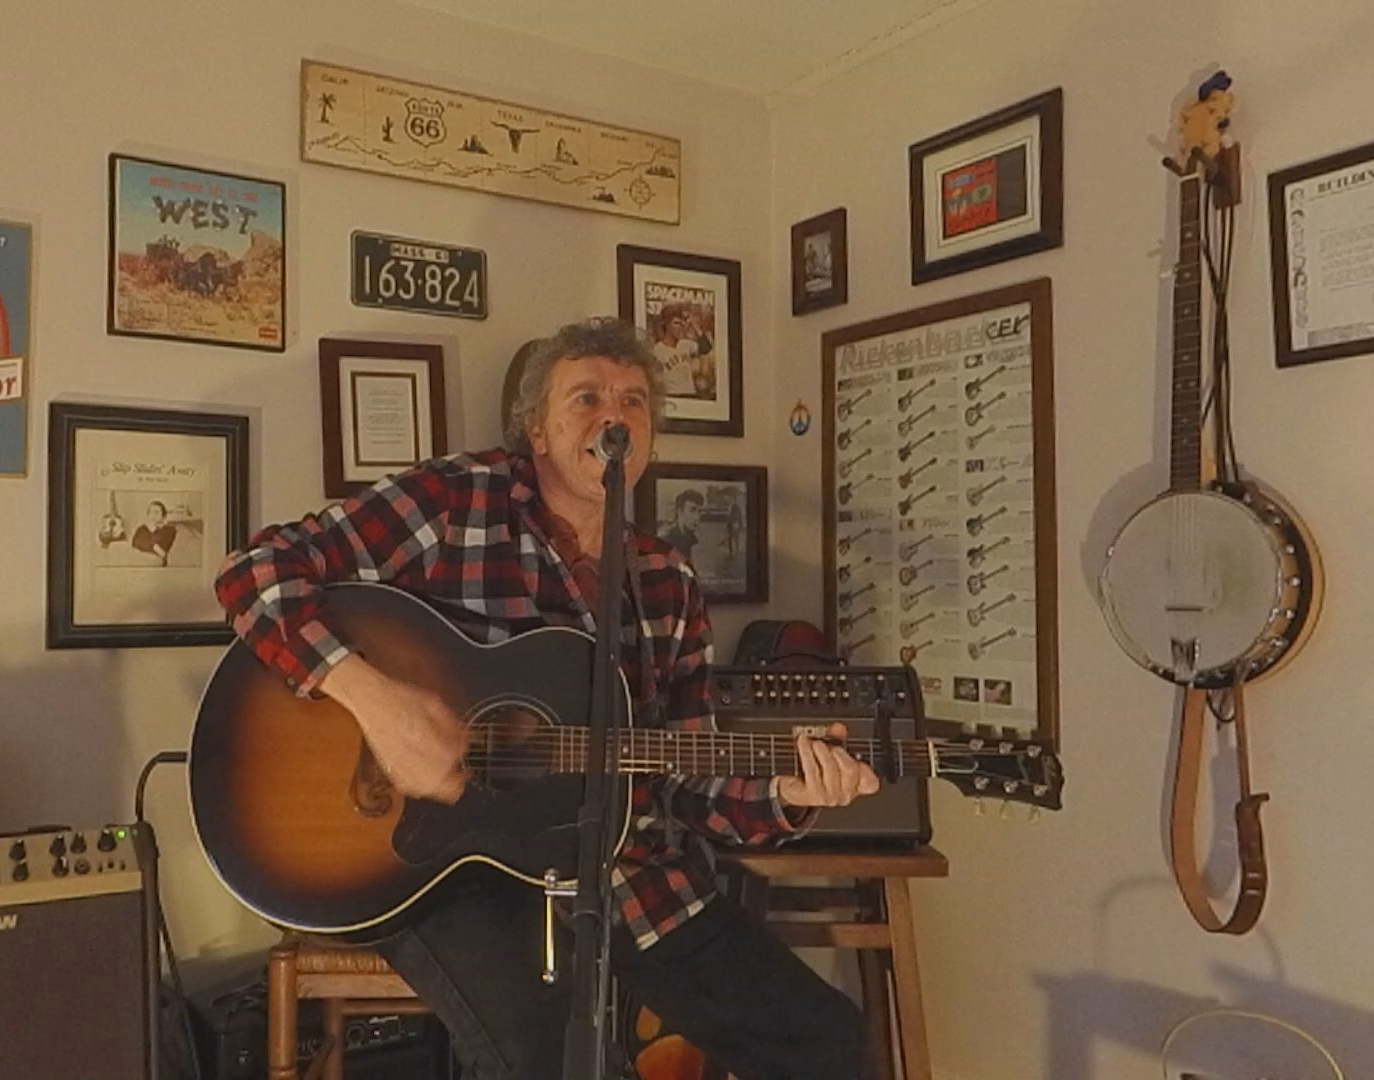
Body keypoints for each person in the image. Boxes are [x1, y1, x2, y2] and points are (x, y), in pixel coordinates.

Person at [213, 317, 879, 1080]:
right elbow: (252, 571)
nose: (613, 415)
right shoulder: (455, 501)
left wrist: (787, 795)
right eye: (586, 397)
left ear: (650, 438)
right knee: (563, 1066)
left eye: (633, 401)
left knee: (827, 1041)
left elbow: (686, 777)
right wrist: (376, 703)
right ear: (535, 429)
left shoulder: (667, 580)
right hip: (451, 868)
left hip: (628, 875)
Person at [660, 489, 703, 561]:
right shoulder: (666, 541)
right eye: (692, 510)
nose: (697, 517)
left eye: (699, 511)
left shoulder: (692, 541)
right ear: (680, 511)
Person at [131, 500, 177, 566]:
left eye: (156, 512)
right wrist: (153, 546)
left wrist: (153, 532)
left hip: (156, 562)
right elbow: (136, 544)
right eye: (151, 512)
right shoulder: (142, 529)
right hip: (139, 559)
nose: (153, 515)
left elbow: (163, 552)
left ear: (163, 515)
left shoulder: (169, 530)